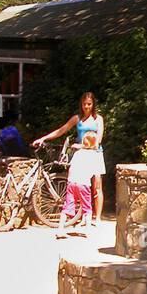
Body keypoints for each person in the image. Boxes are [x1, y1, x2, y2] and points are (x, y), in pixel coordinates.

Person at [33, 92, 106, 225]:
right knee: (79, 184)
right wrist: (43, 138)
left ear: (93, 104)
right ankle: (83, 214)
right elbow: (62, 130)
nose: (86, 107)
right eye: (84, 104)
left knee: (97, 185)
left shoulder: (98, 119)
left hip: (94, 153)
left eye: (89, 104)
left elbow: (99, 139)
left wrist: (84, 145)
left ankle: (98, 217)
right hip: (81, 154)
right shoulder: (77, 119)